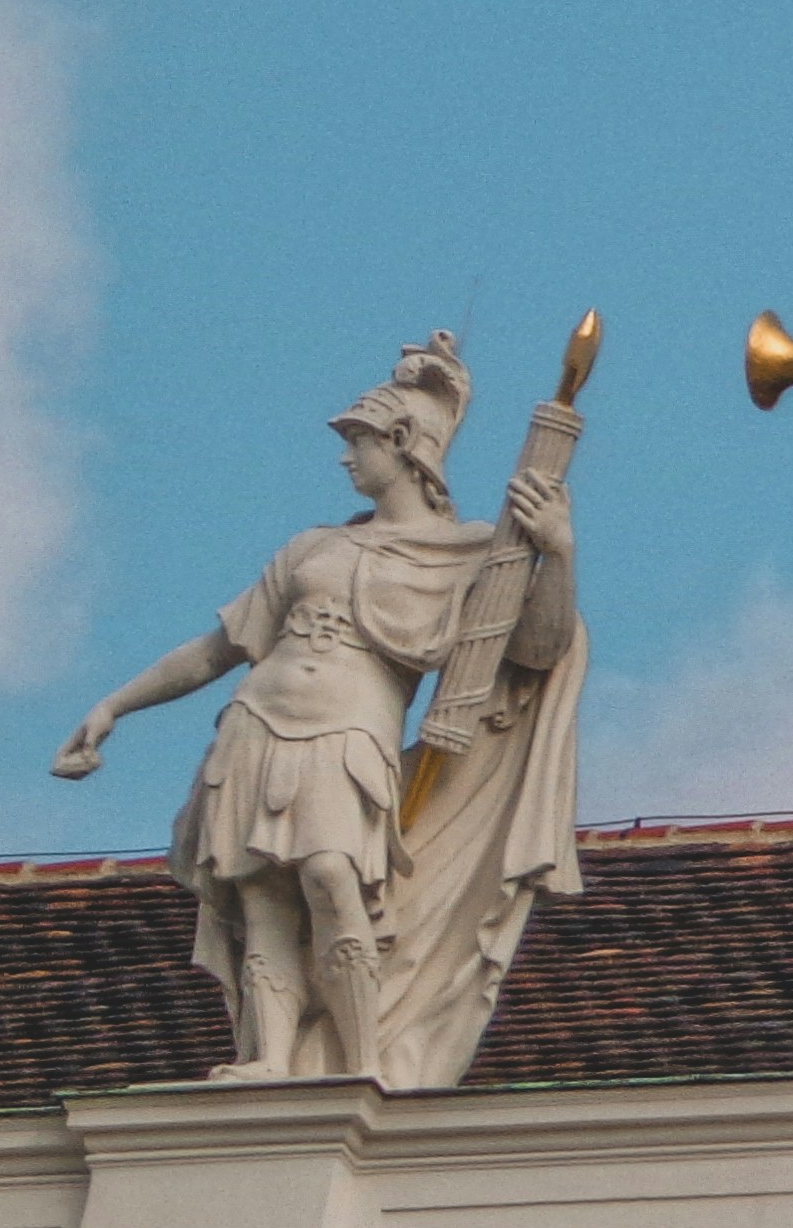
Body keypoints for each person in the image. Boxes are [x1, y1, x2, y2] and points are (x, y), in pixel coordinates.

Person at [54, 336, 583, 1080]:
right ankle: (270, 1060)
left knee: (335, 878)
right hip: (256, 725)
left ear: (401, 444)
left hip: (349, 736)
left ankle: (361, 1066)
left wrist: (556, 553)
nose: (345, 458)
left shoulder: (474, 554)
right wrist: (115, 705)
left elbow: (537, 648)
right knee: (264, 896)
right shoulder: (312, 547)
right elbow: (217, 651)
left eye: (357, 441)